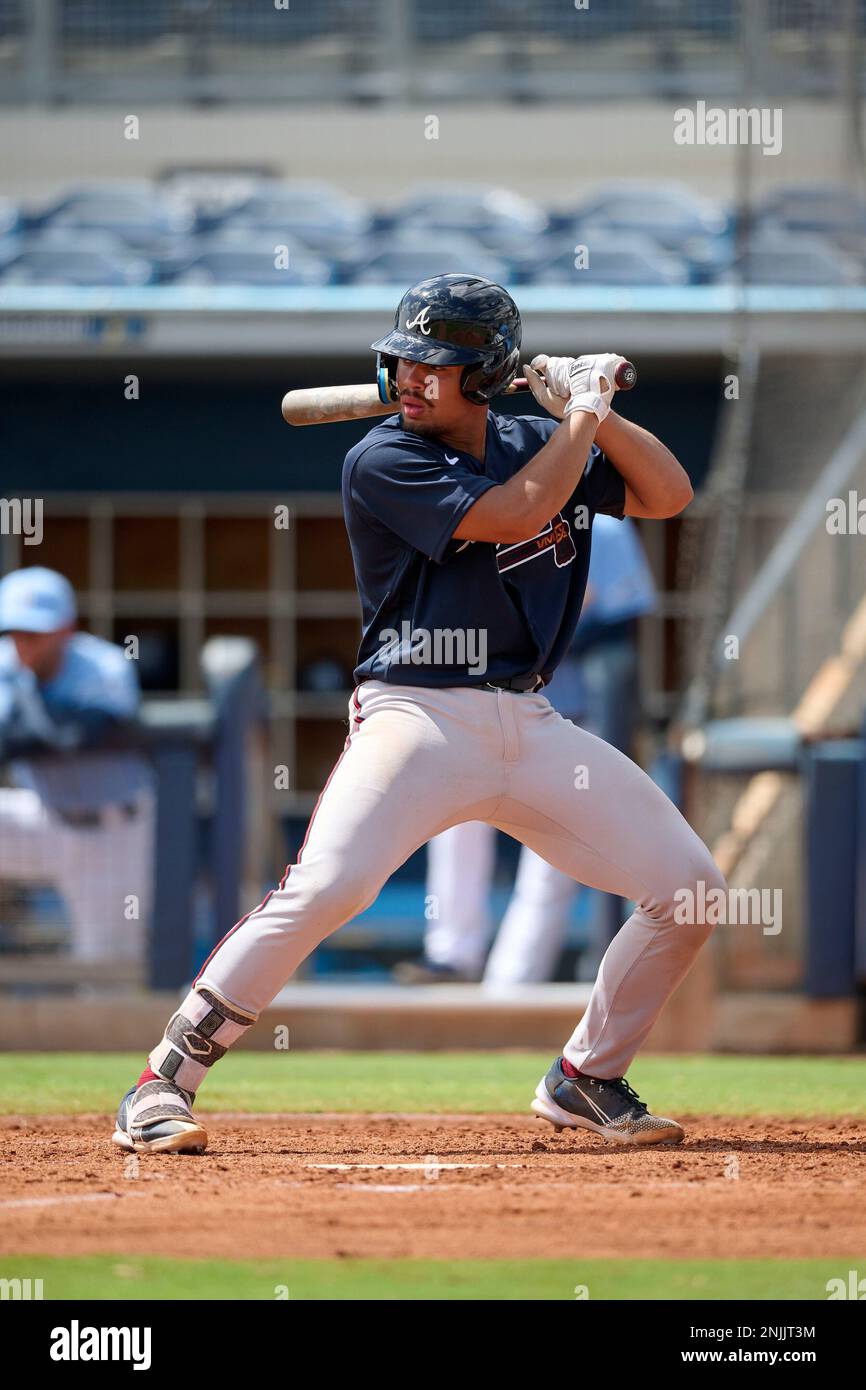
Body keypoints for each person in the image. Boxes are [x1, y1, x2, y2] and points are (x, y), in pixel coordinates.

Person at [112, 273, 725, 1156]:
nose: (410, 378)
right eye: (404, 360)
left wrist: (595, 411)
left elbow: (668, 495)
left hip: (530, 718)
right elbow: (519, 509)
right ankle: (160, 1083)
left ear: (487, 375)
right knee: (330, 887)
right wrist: (580, 419)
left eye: (437, 366)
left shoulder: (529, 435)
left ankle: (586, 1077)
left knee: (692, 887)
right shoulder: (384, 458)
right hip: (417, 717)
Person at [403, 512, 657, 986]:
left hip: (570, 714)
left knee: (552, 851)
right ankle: (453, 956)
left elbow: (624, 621)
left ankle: (512, 981)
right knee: (454, 825)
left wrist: (539, 642)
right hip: (483, 707)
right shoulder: (483, 512)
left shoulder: (603, 529)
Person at [0, 567, 155, 962]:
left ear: (66, 628)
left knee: (107, 974)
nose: (24, 644)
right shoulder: (6, 664)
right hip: (42, 817)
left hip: (112, 832)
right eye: (16, 631)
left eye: (35, 632)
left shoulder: (105, 667)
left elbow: (69, 736)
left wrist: (25, 707)